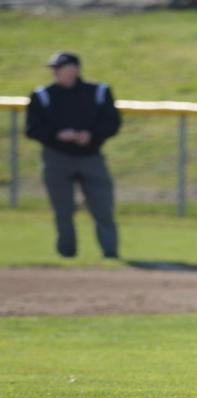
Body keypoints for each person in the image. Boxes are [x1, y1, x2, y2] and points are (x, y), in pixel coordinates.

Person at [25, 51, 122, 260]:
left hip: (91, 156)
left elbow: (112, 124)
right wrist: (57, 135)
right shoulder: (43, 95)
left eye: (60, 67)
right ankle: (67, 254)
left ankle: (110, 253)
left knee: (103, 207)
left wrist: (91, 135)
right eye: (54, 68)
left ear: (75, 69)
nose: (55, 72)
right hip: (56, 157)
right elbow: (32, 129)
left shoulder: (98, 92)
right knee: (63, 210)